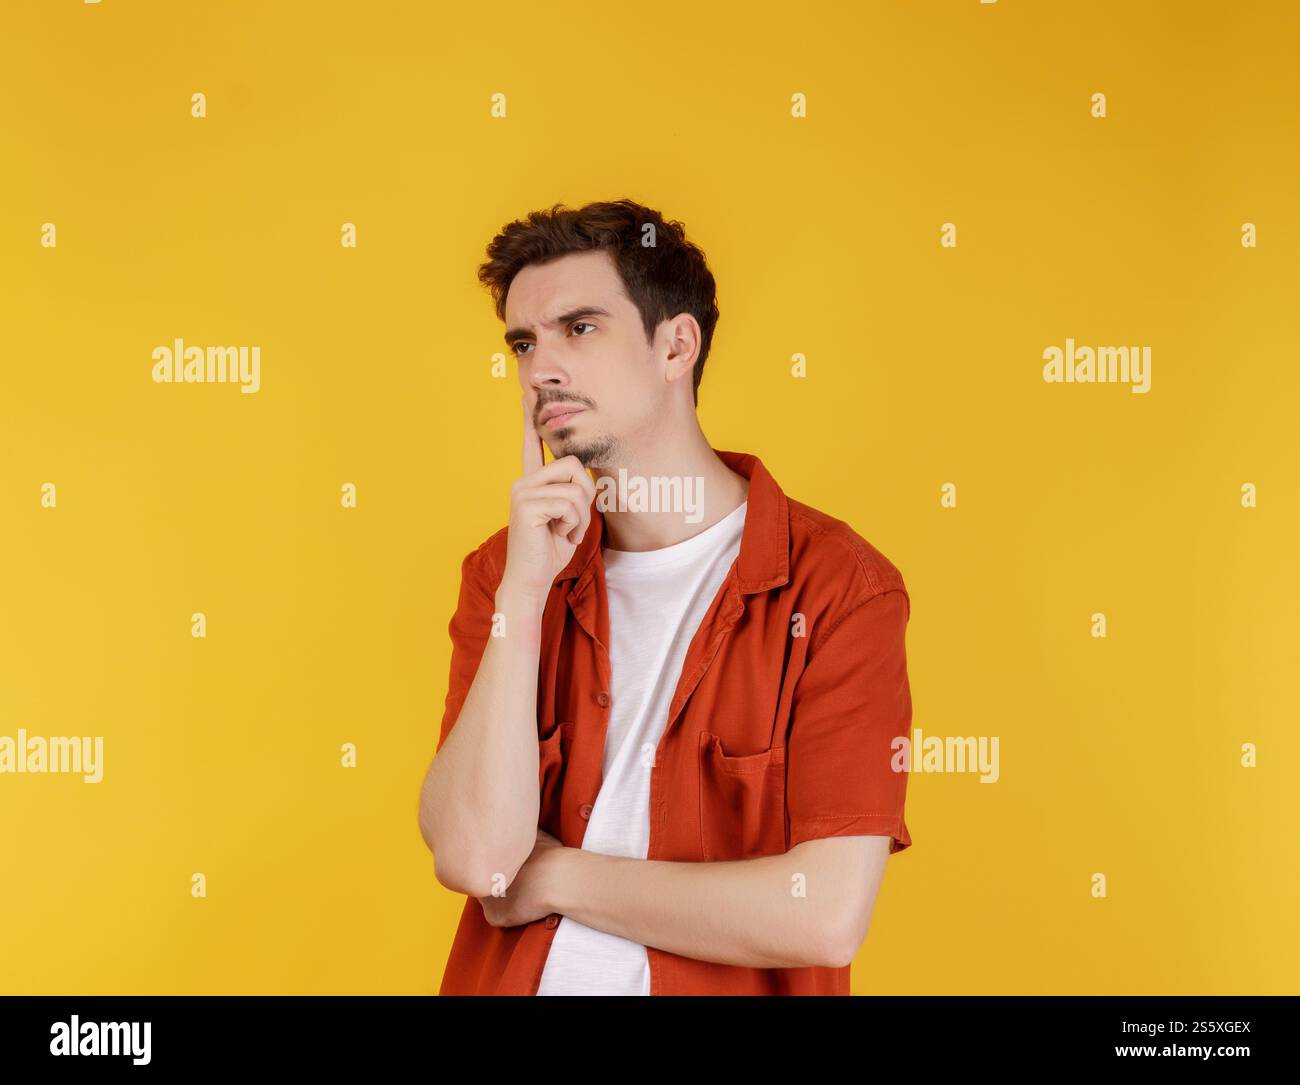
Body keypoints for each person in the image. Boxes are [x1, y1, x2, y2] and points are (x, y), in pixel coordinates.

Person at [418, 198, 913, 995]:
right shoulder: (503, 574)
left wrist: (550, 877)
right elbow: (475, 857)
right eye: (523, 341)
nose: (541, 368)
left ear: (676, 344)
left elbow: (821, 913)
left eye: (579, 328)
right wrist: (523, 587)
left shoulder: (838, 590)